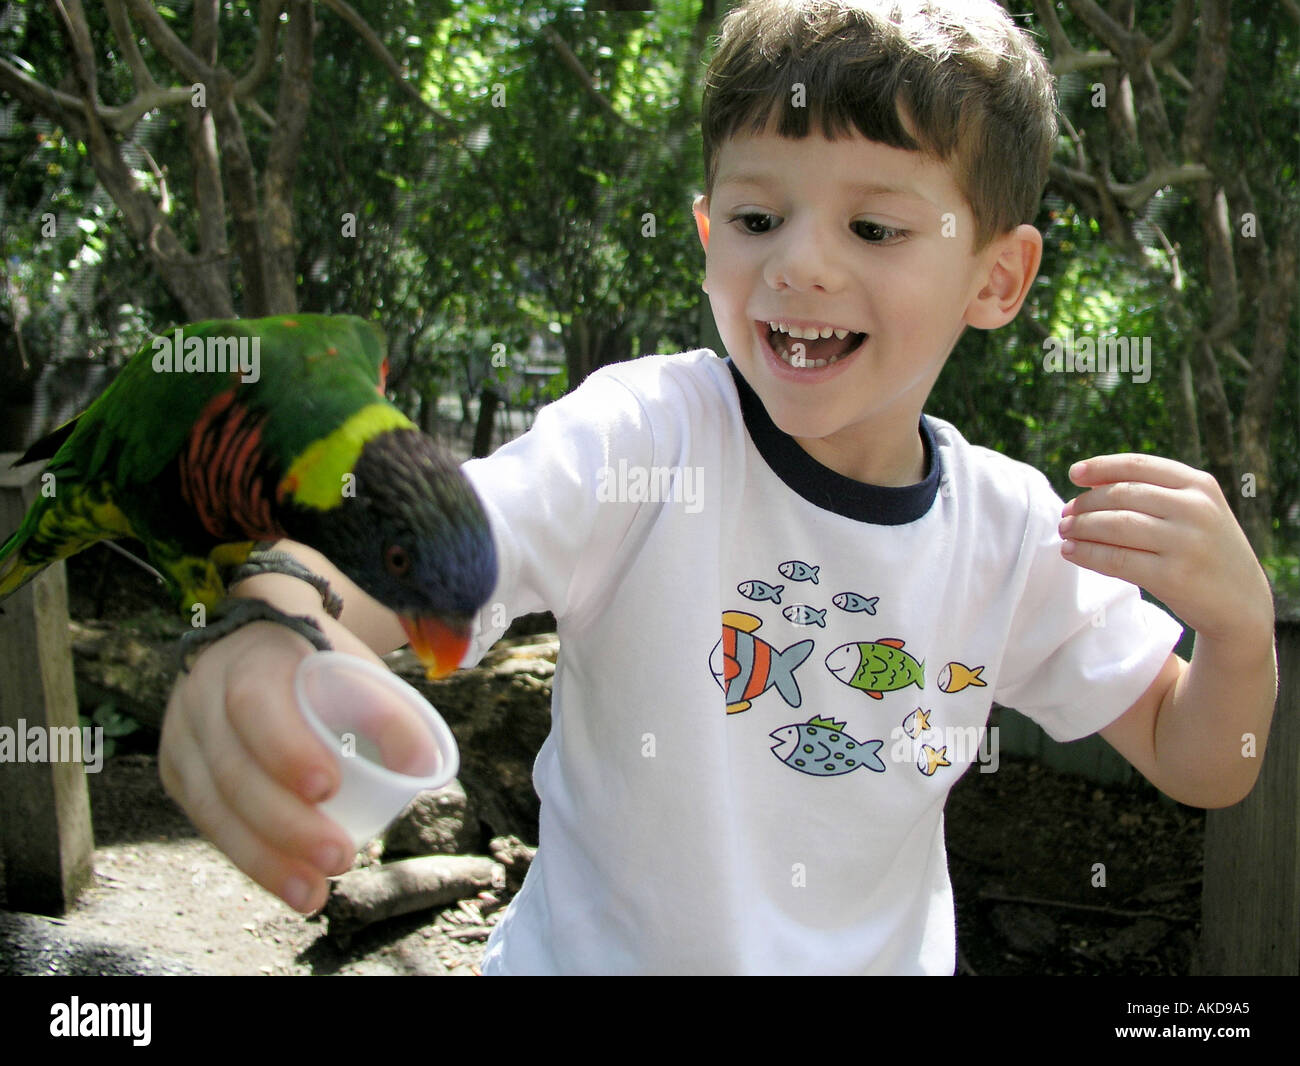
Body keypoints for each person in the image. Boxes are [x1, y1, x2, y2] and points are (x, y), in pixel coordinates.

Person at [159, 0, 1277, 975]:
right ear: (707, 239)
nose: (797, 263)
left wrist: (1237, 635)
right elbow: (417, 540)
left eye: (874, 226)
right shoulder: (649, 436)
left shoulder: (1012, 530)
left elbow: (1201, 763)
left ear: (998, 276)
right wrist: (280, 621)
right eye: (756, 219)